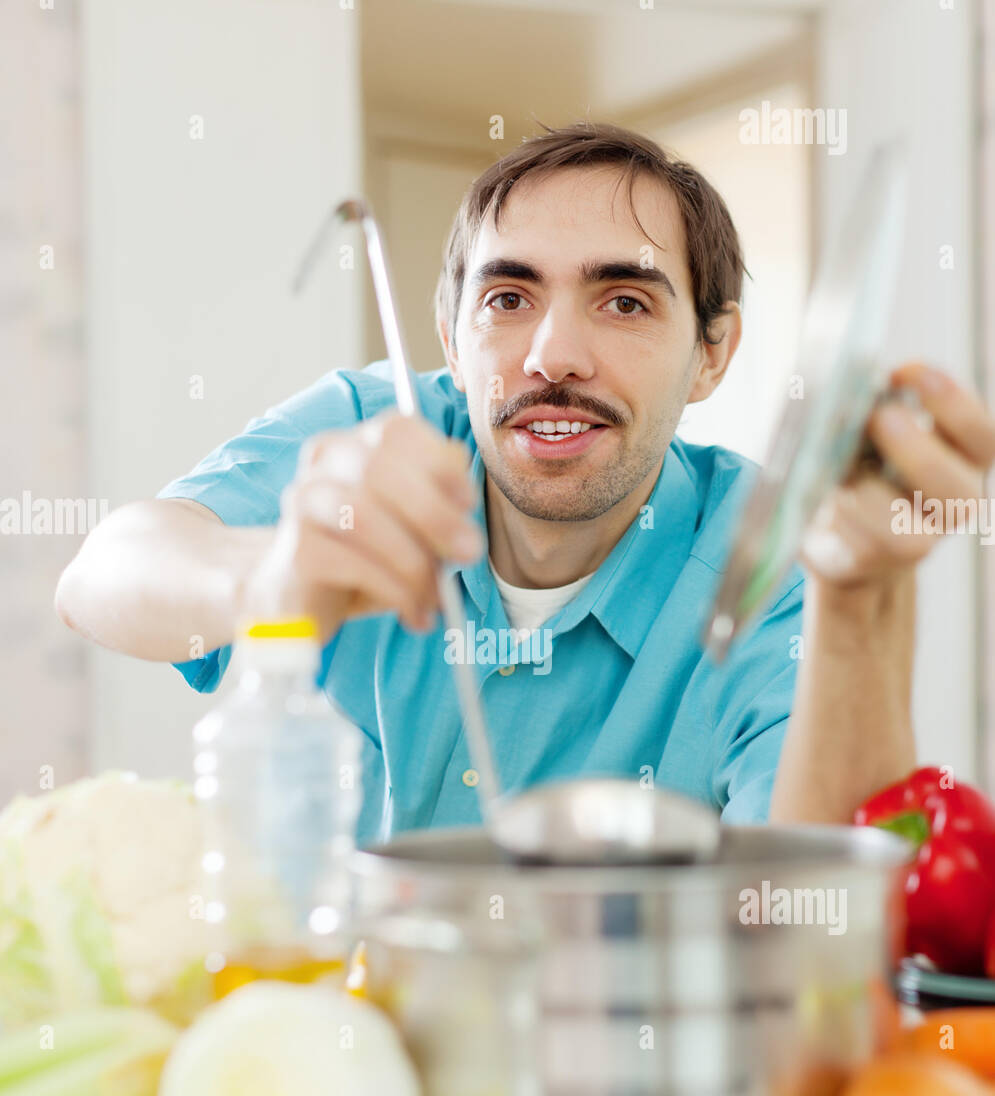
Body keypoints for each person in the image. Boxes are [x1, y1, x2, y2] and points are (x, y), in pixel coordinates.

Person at [55, 123, 995, 846]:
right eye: (508, 299)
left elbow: (816, 941)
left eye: (623, 301)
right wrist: (266, 582)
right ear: (453, 338)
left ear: (712, 354)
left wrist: (860, 594)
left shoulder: (773, 565)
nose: (552, 356)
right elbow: (99, 577)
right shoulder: (373, 430)